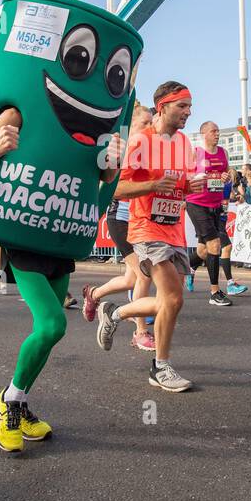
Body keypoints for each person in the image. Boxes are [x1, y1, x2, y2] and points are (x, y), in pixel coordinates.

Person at [0, 96, 122, 453]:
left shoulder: (96, 122)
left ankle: (20, 399)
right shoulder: (15, 114)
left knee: (44, 334)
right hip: (24, 238)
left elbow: (104, 178)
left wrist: (112, 162)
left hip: (60, 240)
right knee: (52, 326)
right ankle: (8, 401)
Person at [96, 81, 202, 392]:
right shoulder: (141, 142)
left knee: (171, 302)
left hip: (175, 230)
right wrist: (153, 185)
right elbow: (115, 188)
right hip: (145, 228)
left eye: (190, 105)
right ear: (163, 107)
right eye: (182, 106)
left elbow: (177, 185)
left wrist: (188, 188)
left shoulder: (183, 143)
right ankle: (161, 367)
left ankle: (114, 312)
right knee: (173, 298)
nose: (188, 111)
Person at [82, 102, 155, 350]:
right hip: (120, 216)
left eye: (151, 123)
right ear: (130, 126)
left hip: (140, 218)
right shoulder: (121, 148)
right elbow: (111, 185)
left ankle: (94, 295)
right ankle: (140, 331)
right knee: (144, 273)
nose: (150, 127)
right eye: (144, 123)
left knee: (130, 278)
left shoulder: (149, 150)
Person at [183, 120, 234, 305]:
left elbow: (225, 175)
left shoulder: (223, 152)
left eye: (218, 131)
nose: (217, 134)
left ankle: (188, 265)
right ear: (204, 133)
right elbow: (185, 176)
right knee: (215, 245)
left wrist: (226, 178)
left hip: (216, 204)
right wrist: (201, 177)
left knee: (203, 251)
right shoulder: (195, 153)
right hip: (197, 203)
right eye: (214, 131)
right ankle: (215, 292)